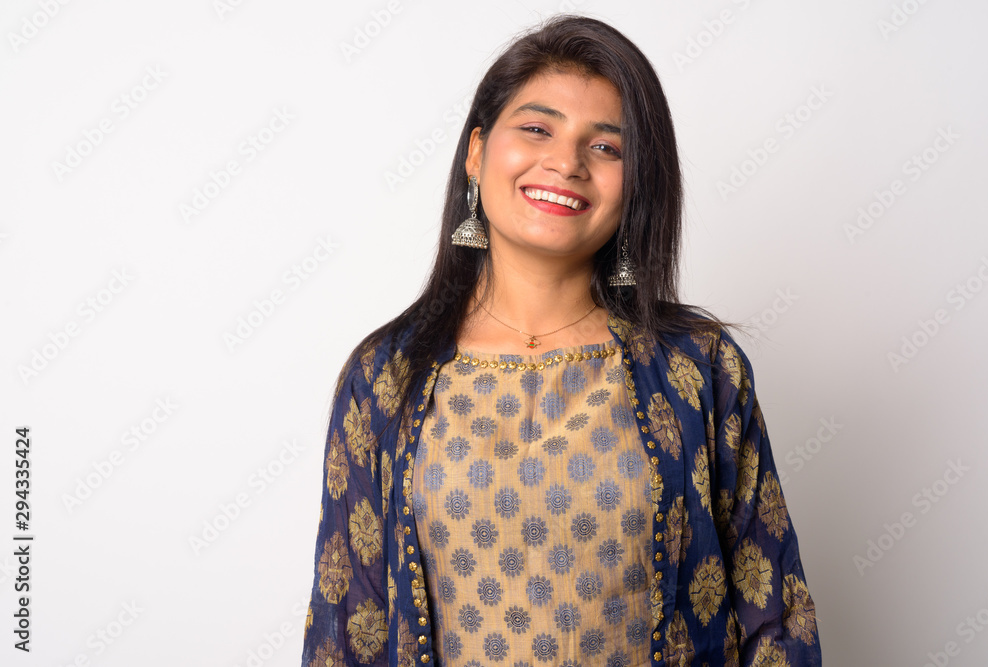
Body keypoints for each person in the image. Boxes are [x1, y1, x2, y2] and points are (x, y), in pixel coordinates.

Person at [301, 14, 820, 667]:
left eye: (606, 147)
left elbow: (776, 615)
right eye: (537, 129)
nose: (566, 161)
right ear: (476, 151)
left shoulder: (700, 367)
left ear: (636, 185)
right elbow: (348, 624)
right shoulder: (385, 374)